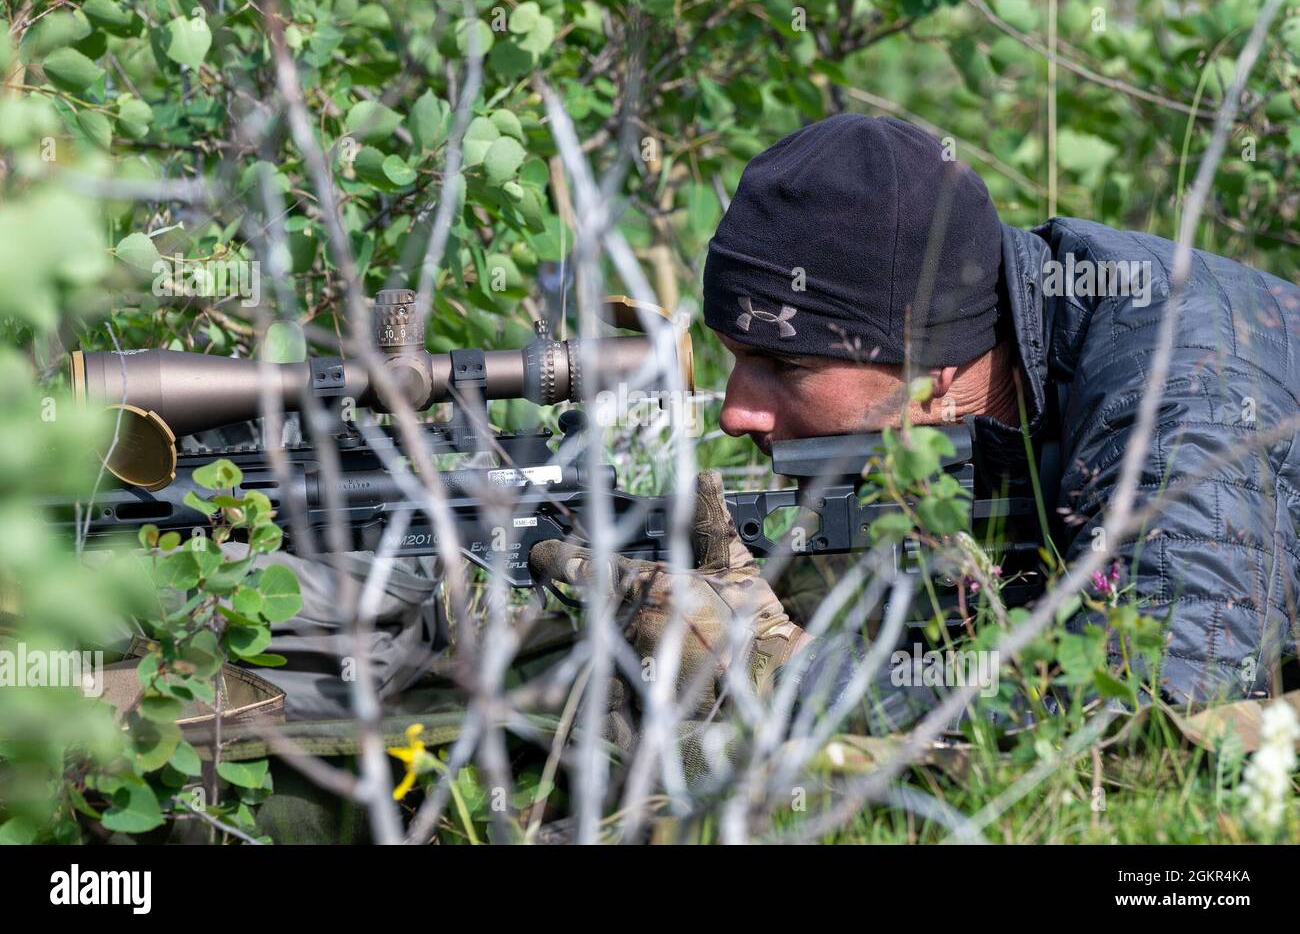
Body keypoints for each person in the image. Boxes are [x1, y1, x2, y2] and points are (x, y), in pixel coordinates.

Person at [530, 112, 1300, 728]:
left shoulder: (1183, 376)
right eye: (735, 356)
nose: (736, 410)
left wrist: (774, 669)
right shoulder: (964, 378)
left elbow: (1162, 705)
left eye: (786, 365)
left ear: (932, 369)